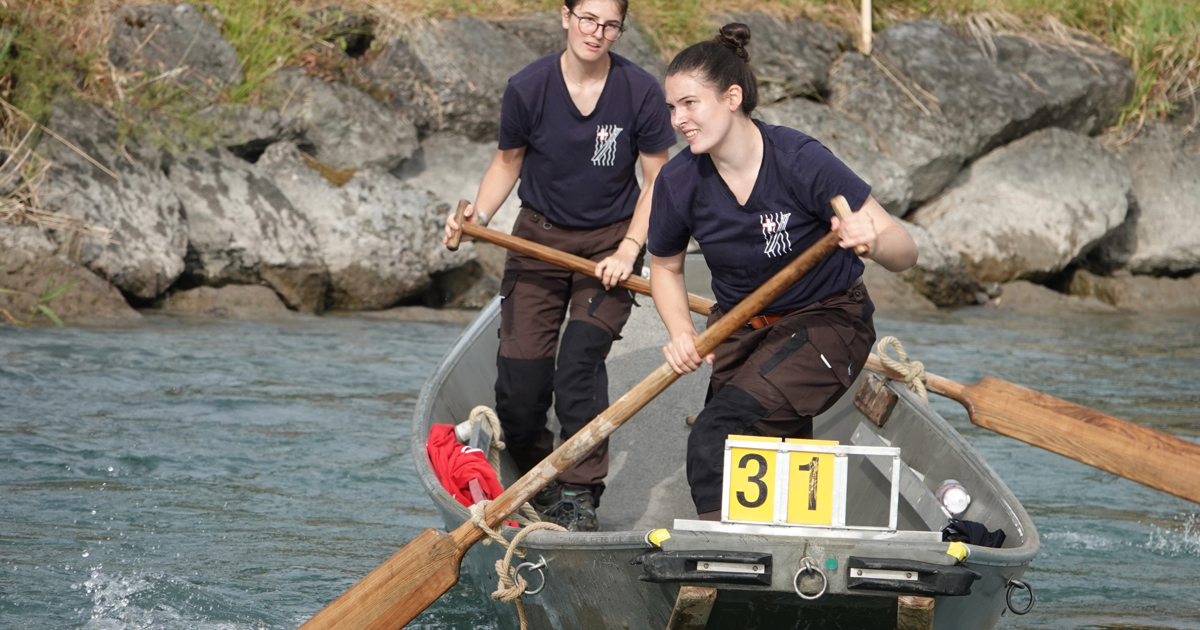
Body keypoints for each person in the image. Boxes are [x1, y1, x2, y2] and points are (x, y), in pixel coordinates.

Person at [647, 23, 919, 520]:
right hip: (739, 332)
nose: (678, 120)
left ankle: (721, 562)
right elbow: (664, 267)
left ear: (732, 97)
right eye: (671, 108)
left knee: (717, 435)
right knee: (772, 440)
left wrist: (873, 241)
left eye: (690, 104)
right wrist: (682, 332)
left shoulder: (799, 160)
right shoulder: (679, 179)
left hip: (828, 324)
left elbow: (907, 250)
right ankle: (789, 543)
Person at [443, 0, 675, 531]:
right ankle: (541, 477)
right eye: (588, 19)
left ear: (620, 29)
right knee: (519, 392)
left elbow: (658, 177)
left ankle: (581, 493)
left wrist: (629, 248)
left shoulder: (639, 91)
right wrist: (476, 215)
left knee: (578, 363)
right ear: (565, 16)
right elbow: (507, 162)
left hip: (610, 248)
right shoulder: (528, 86)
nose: (597, 32)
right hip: (537, 241)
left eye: (610, 24)